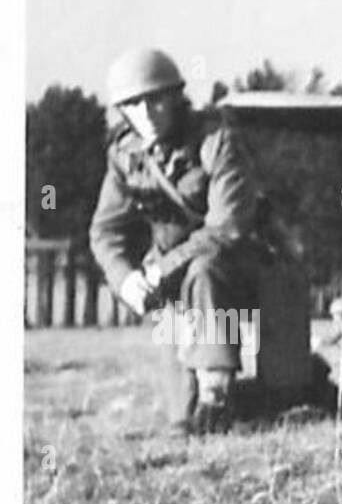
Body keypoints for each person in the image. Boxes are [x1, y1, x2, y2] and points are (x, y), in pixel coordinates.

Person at [89, 47, 326, 433]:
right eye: (132, 104)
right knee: (181, 416)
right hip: (176, 280)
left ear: (176, 96)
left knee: (283, 399)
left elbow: (227, 228)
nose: (145, 113)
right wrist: (126, 280)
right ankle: (233, 399)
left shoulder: (216, 141)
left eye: (156, 99)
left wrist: (160, 270)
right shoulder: (126, 155)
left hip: (250, 264)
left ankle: (223, 390)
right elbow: (104, 231)